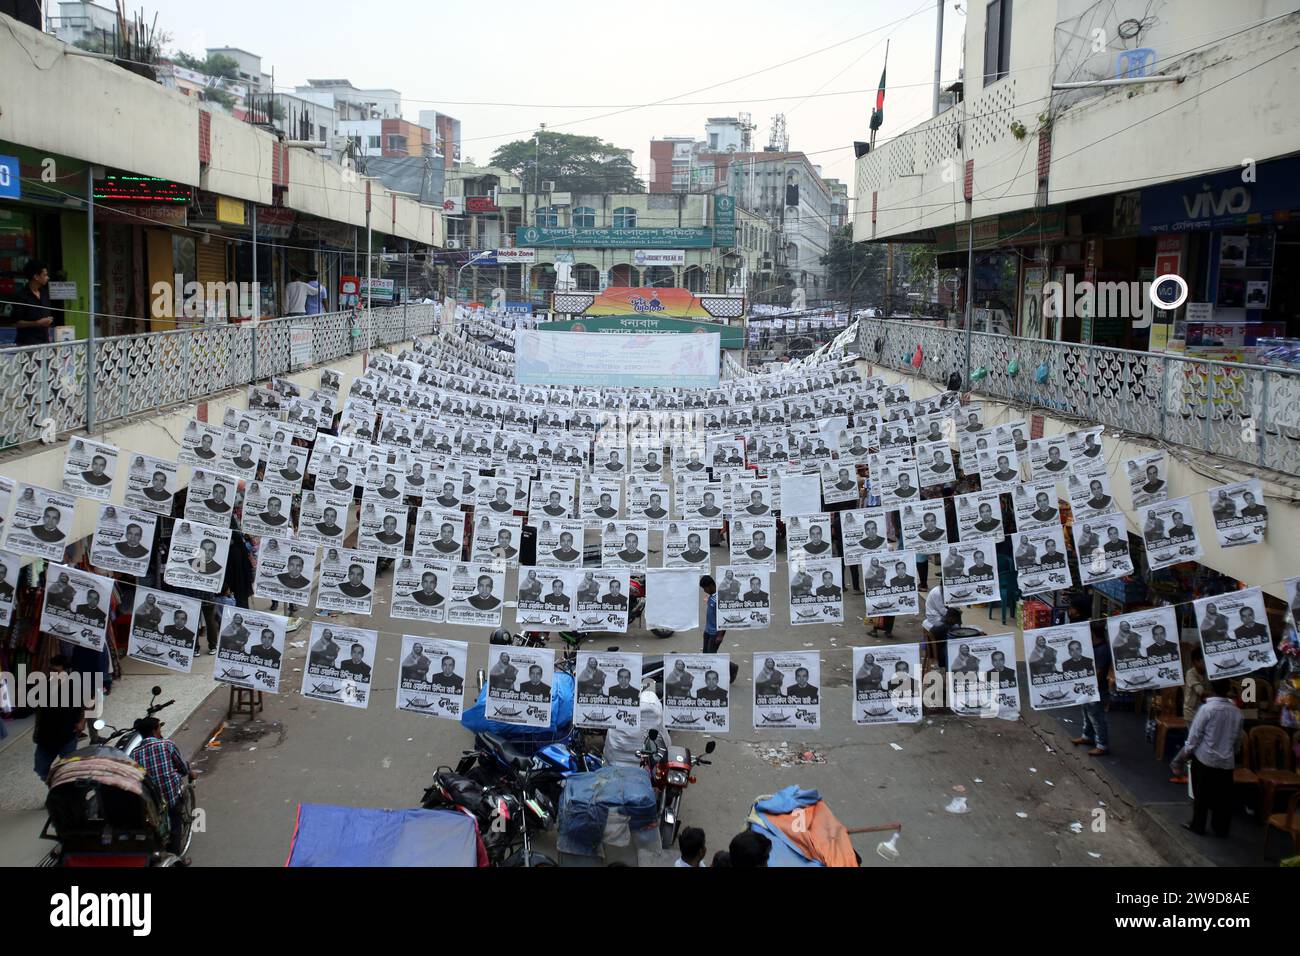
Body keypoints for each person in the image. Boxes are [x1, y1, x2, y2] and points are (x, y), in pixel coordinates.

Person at [1172, 680, 1243, 837]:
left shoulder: (1207, 709)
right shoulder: (1236, 712)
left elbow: (1195, 734)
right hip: (1226, 761)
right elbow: (1238, 739)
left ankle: (1198, 825)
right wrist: (1234, 752)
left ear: (1212, 690)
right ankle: (1221, 828)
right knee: (1223, 799)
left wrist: (1187, 752)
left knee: (1201, 795)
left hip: (1205, 758)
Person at [133, 717, 193, 862]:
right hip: (170, 793)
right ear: (154, 730)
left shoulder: (134, 754)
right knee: (176, 823)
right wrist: (188, 772)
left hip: (152, 799)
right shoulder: (167, 744)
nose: (161, 731)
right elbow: (182, 768)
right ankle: (177, 858)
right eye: (159, 728)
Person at [32, 655, 84, 781]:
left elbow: (87, 705)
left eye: (56, 671)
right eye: (51, 670)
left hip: (67, 736)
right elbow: (38, 708)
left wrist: (82, 722)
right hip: (46, 736)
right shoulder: (43, 685)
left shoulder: (75, 686)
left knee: (69, 770)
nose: (53, 674)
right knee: (41, 768)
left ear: (66, 670)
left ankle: (68, 794)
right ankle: (54, 787)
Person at [1071, 621, 1112, 756]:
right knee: (1087, 713)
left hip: (1096, 689)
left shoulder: (1102, 650)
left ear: (1093, 634)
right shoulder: (1093, 647)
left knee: (1097, 717)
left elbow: (1099, 672)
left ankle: (1102, 745)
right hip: (1087, 687)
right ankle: (1087, 736)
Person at [5, 259, 61, 345]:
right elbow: (16, 322)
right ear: (36, 277)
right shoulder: (21, 296)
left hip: (45, 341)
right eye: (45, 275)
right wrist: (37, 323)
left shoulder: (44, 293)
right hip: (28, 343)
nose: (47, 277)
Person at [1183, 647, 1209, 721]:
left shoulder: (1208, 673)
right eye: (1203, 661)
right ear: (1196, 661)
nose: (1206, 663)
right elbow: (1200, 691)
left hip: (1206, 712)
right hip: (1192, 714)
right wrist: (1218, 694)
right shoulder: (1190, 673)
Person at [700, 575, 723, 654]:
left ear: (710, 585)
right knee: (705, 654)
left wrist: (720, 635)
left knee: (711, 656)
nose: (704, 590)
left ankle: (732, 667)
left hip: (715, 634)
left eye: (705, 588)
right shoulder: (711, 596)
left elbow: (723, 619)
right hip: (707, 631)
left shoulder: (719, 599)